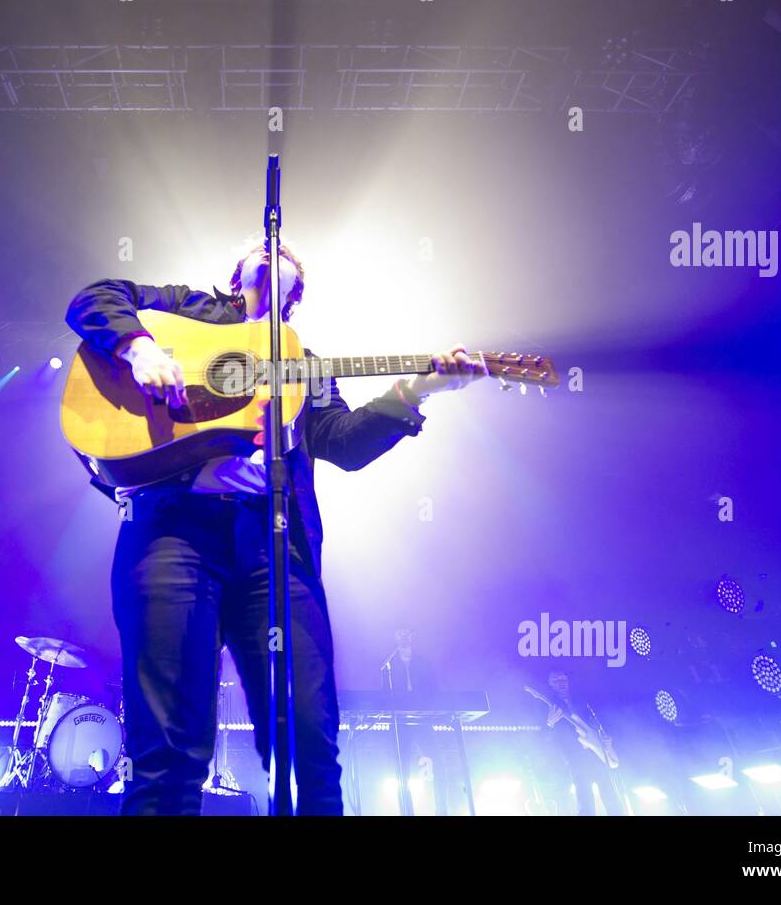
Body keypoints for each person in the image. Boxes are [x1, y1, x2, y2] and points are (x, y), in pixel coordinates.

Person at [65, 238, 486, 814]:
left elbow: (344, 443)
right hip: (174, 535)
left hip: (275, 548)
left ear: (296, 298)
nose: (275, 248)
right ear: (236, 278)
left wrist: (417, 389)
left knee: (309, 743)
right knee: (167, 749)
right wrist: (140, 350)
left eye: (286, 258)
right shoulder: (186, 312)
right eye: (261, 252)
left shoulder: (304, 363)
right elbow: (95, 298)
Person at [381, 628, 449, 815]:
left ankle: (441, 810)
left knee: (438, 763)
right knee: (402, 770)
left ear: (413, 636)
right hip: (400, 723)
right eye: (400, 632)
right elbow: (385, 694)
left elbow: (434, 689)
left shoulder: (423, 663)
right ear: (394, 637)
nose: (404, 636)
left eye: (407, 632)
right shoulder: (388, 665)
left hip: (422, 719)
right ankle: (407, 812)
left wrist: (428, 706)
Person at [541, 668, 623, 816]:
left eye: (563, 680)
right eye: (556, 681)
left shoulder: (582, 701)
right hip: (575, 759)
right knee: (585, 802)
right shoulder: (547, 705)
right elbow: (543, 739)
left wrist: (605, 739)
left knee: (612, 798)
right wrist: (549, 724)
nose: (561, 683)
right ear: (550, 684)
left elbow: (598, 722)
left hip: (597, 755)